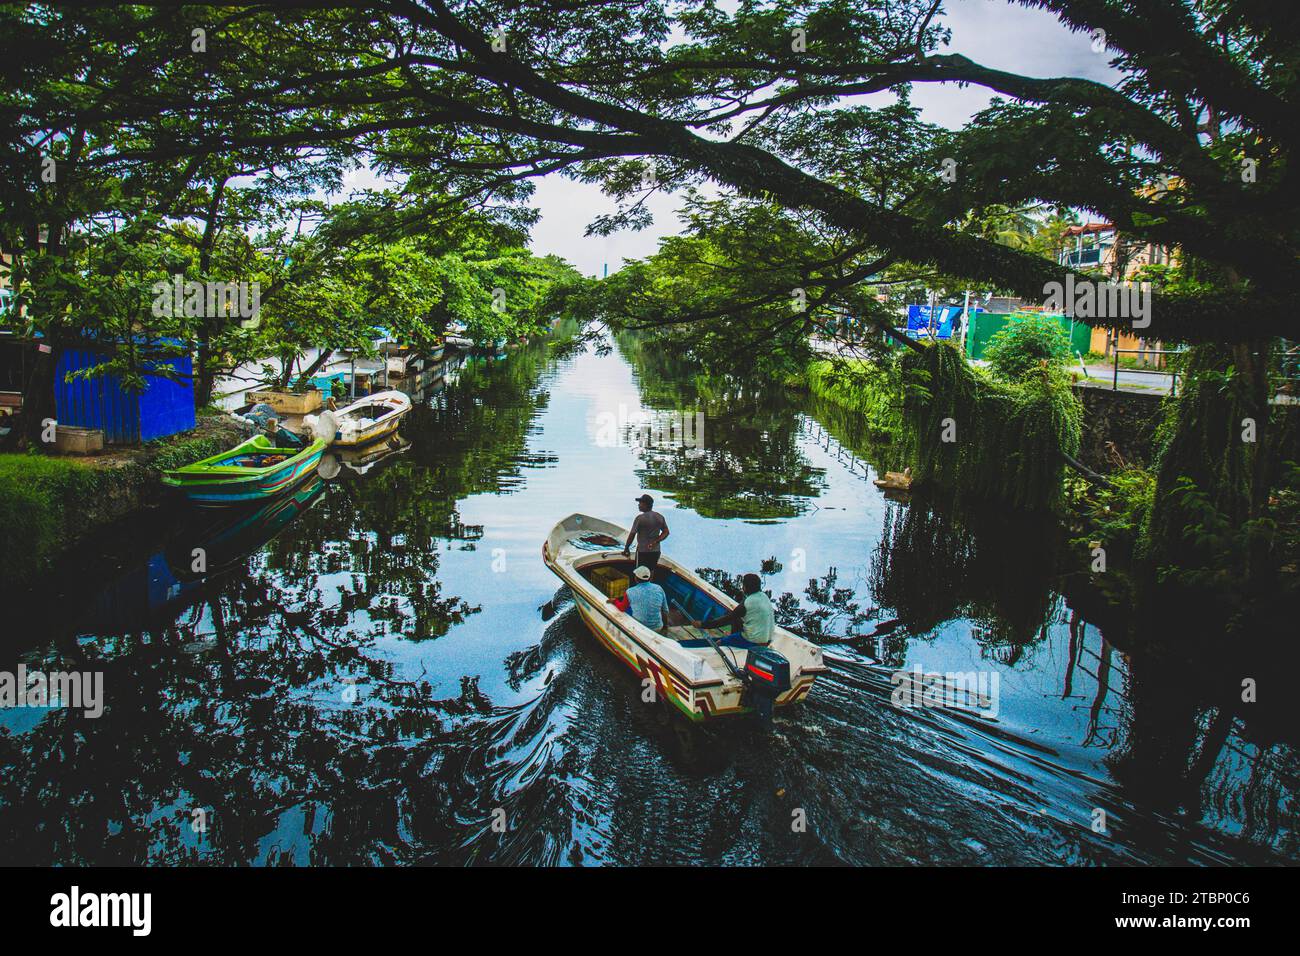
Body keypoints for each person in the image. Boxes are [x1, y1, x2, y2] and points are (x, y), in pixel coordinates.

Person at [692, 573, 775, 647]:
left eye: (743, 585)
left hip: (753, 642)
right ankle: (733, 636)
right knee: (736, 617)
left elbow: (724, 621)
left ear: (745, 587)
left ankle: (731, 640)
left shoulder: (746, 604)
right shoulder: (764, 596)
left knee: (719, 643)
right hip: (768, 640)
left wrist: (702, 625)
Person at [614, 565, 669, 633]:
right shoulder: (659, 588)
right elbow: (665, 610)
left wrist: (614, 601)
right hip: (658, 628)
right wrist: (665, 627)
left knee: (628, 609)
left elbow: (622, 608)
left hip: (640, 629)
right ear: (649, 578)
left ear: (636, 578)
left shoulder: (629, 592)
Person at [623, 493, 669, 574]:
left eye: (640, 503)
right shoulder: (660, 517)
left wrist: (626, 548)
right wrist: (656, 541)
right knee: (650, 572)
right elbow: (666, 532)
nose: (638, 505)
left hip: (642, 552)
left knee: (639, 573)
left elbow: (632, 535)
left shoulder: (639, 518)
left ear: (645, 504)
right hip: (655, 551)